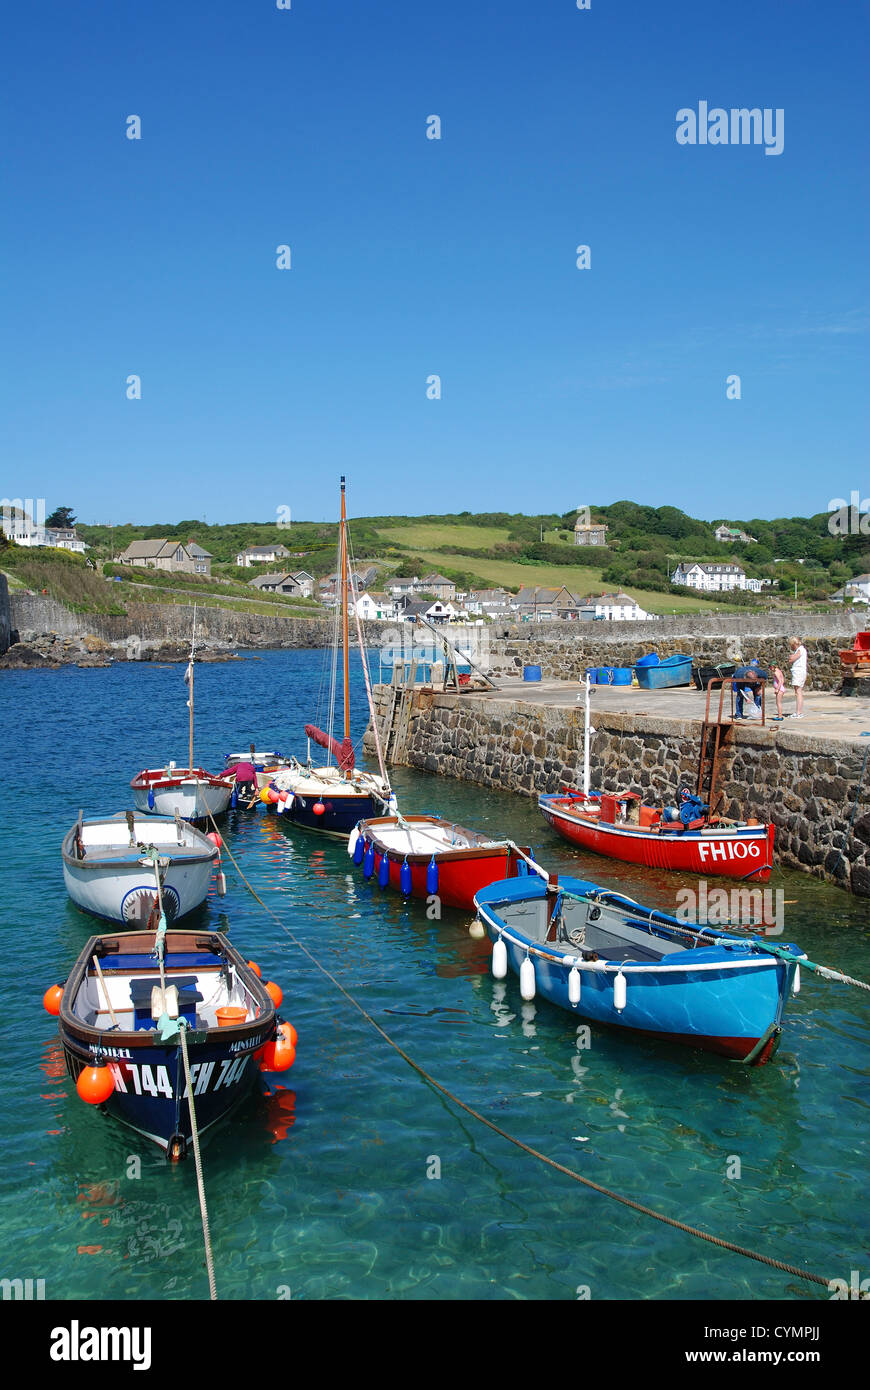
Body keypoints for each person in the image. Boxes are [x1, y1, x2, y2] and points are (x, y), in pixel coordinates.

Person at [788, 638, 807, 718]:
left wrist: (791, 657)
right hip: (799, 672)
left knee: (798, 692)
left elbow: (791, 659)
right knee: (798, 691)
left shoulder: (800, 650)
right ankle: (798, 712)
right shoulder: (801, 650)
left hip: (798, 672)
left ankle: (798, 712)